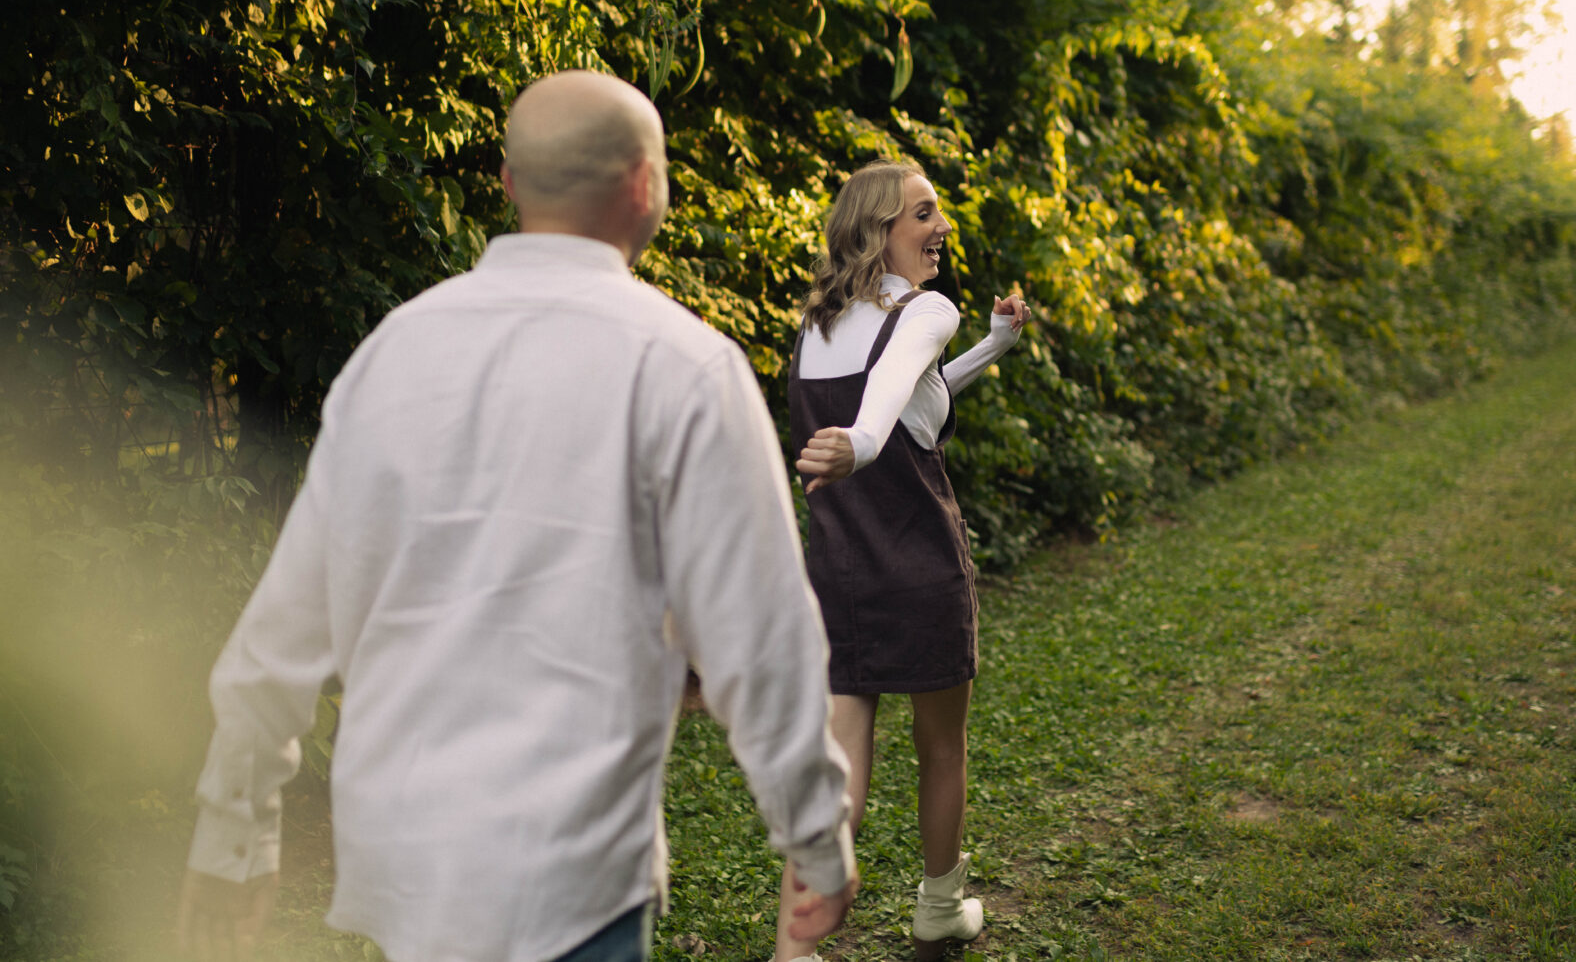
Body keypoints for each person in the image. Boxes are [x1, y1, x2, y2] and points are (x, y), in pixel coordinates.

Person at [177, 70, 857, 962]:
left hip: (404, 866)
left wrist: (235, 833)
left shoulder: (395, 353)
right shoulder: (686, 368)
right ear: (645, 184)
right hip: (573, 875)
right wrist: (814, 835)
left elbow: (288, 624)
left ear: (507, 184)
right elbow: (760, 636)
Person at [772, 159, 1030, 962]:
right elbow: (886, 409)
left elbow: (913, 397)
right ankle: (940, 909)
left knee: (842, 760)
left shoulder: (816, 327)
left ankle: (794, 950)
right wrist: (863, 440)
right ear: (880, 228)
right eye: (924, 214)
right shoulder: (927, 309)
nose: (940, 227)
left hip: (840, 573)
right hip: (921, 566)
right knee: (940, 744)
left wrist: (997, 343)